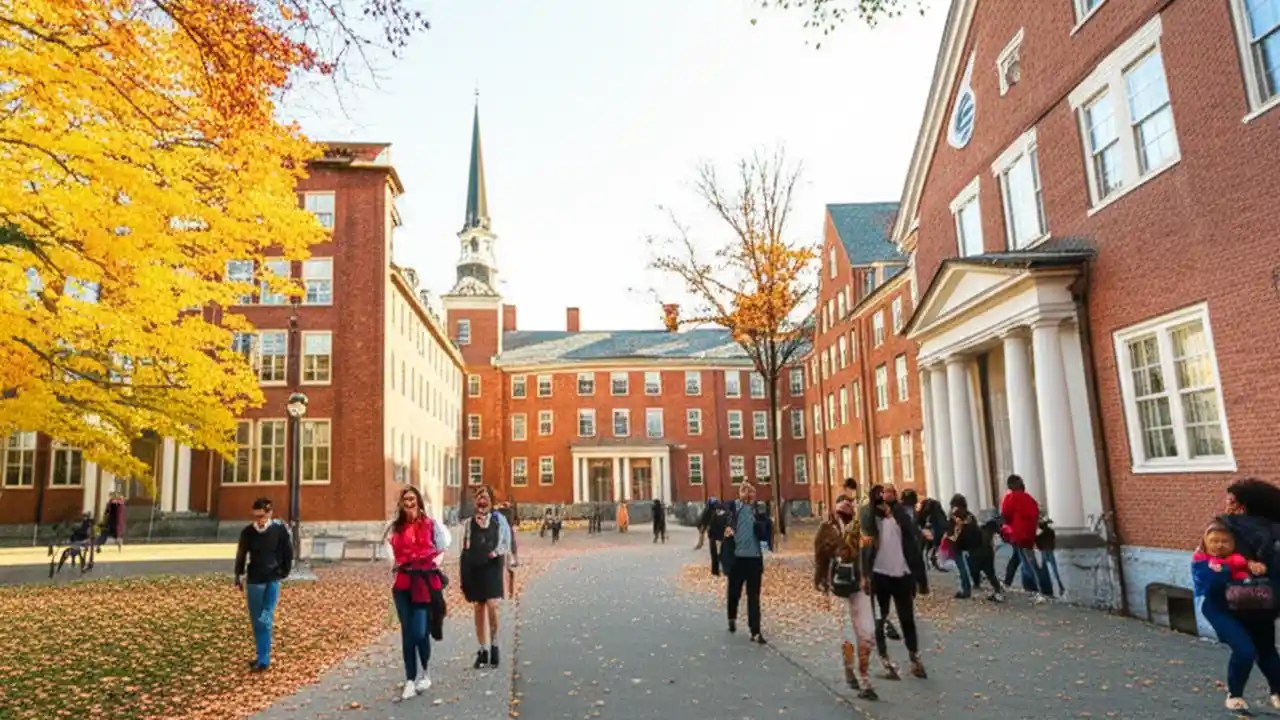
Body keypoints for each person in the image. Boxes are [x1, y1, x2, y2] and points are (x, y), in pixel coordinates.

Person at [1193, 519, 1280, 713]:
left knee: (1266, 650)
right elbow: (1211, 583)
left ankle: (1277, 691)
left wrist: (1256, 569)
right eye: (1214, 541)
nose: (1219, 546)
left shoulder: (1244, 557)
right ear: (1205, 542)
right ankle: (1235, 694)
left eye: (1225, 541)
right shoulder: (1202, 562)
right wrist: (1225, 568)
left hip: (1251, 606)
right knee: (1244, 650)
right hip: (1220, 610)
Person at [387, 486, 451, 701]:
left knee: (420, 631)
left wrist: (432, 563)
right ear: (401, 503)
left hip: (424, 582)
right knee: (407, 633)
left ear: (419, 502)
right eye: (405, 499)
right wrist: (393, 563)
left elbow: (442, 547)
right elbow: (388, 550)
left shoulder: (431, 525)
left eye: (412, 499)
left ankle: (425, 672)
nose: (409, 503)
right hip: (403, 584)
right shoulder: (395, 528)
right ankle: (409, 680)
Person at [860, 484, 928, 680]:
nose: (886, 495)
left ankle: (914, 657)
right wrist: (864, 575)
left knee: (907, 618)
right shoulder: (871, 518)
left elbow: (913, 546)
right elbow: (865, 547)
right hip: (879, 575)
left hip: (902, 574)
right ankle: (885, 660)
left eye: (890, 492)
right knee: (880, 619)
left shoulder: (901, 517)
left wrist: (921, 579)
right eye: (882, 492)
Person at [815, 491, 878, 700]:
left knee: (867, 634)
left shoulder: (862, 528)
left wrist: (868, 575)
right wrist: (823, 587)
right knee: (848, 636)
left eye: (851, 503)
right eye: (843, 502)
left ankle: (863, 673)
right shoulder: (827, 529)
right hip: (838, 587)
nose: (848, 505)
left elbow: (870, 553)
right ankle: (860, 678)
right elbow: (820, 559)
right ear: (835, 506)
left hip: (860, 586)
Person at [233, 497, 293, 672]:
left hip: (272, 579)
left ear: (270, 513)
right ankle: (261, 655)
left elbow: (287, 552)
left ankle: (264, 658)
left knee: (266, 618)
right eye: (256, 516)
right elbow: (242, 554)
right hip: (255, 580)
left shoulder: (279, 530)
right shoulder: (247, 533)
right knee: (257, 621)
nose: (259, 520)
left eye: (262, 516)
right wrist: (238, 575)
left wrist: (284, 572)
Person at [460, 486, 511, 669]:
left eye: (485, 497)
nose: (482, 501)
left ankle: (495, 643)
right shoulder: (468, 523)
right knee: (478, 607)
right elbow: (465, 548)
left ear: (491, 501)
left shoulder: (499, 520)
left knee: (492, 605)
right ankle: (482, 649)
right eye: (479, 498)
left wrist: (496, 553)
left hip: (492, 566)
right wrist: (464, 575)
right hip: (475, 568)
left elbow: (506, 542)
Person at [724, 482, 773, 644]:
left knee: (754, 596)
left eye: (751, 492)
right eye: (744, 491)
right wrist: (726, 529)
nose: (747, 495)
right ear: (739, 493)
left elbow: (767, 533)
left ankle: (755, 631)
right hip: (737, 559)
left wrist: (762, 527)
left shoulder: (759, 511)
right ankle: (732, 617)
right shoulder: (732, 509)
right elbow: (718, 519)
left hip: (754, 559)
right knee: (734, 593)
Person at [1000, 474, 1052, 603]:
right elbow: (1035, 513)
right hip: (1029, 534)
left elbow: (1005, 515)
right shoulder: (1029, 499)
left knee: (1027, 563)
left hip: (1018, 534)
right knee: (1019, 559)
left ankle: (1036, 591)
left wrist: (1010, 527)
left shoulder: (1010, 498)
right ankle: (1009, 583)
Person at [946, 494, 982, 600]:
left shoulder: (955, 516)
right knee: (968, 566)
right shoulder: (969, 516)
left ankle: (966, 589)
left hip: (958, 545)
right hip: (969, 545)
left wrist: (950, 539)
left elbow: (951, 531)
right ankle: (973, 584)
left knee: (962, 568)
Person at [698, 497, 729, 576]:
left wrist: (704, 532)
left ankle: (715, 571)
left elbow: (703, 521)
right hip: (723, 534)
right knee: (724, 552)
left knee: (714, 553)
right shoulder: (724, 508)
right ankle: (726, 570)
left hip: (714, 534)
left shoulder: (709, 510)